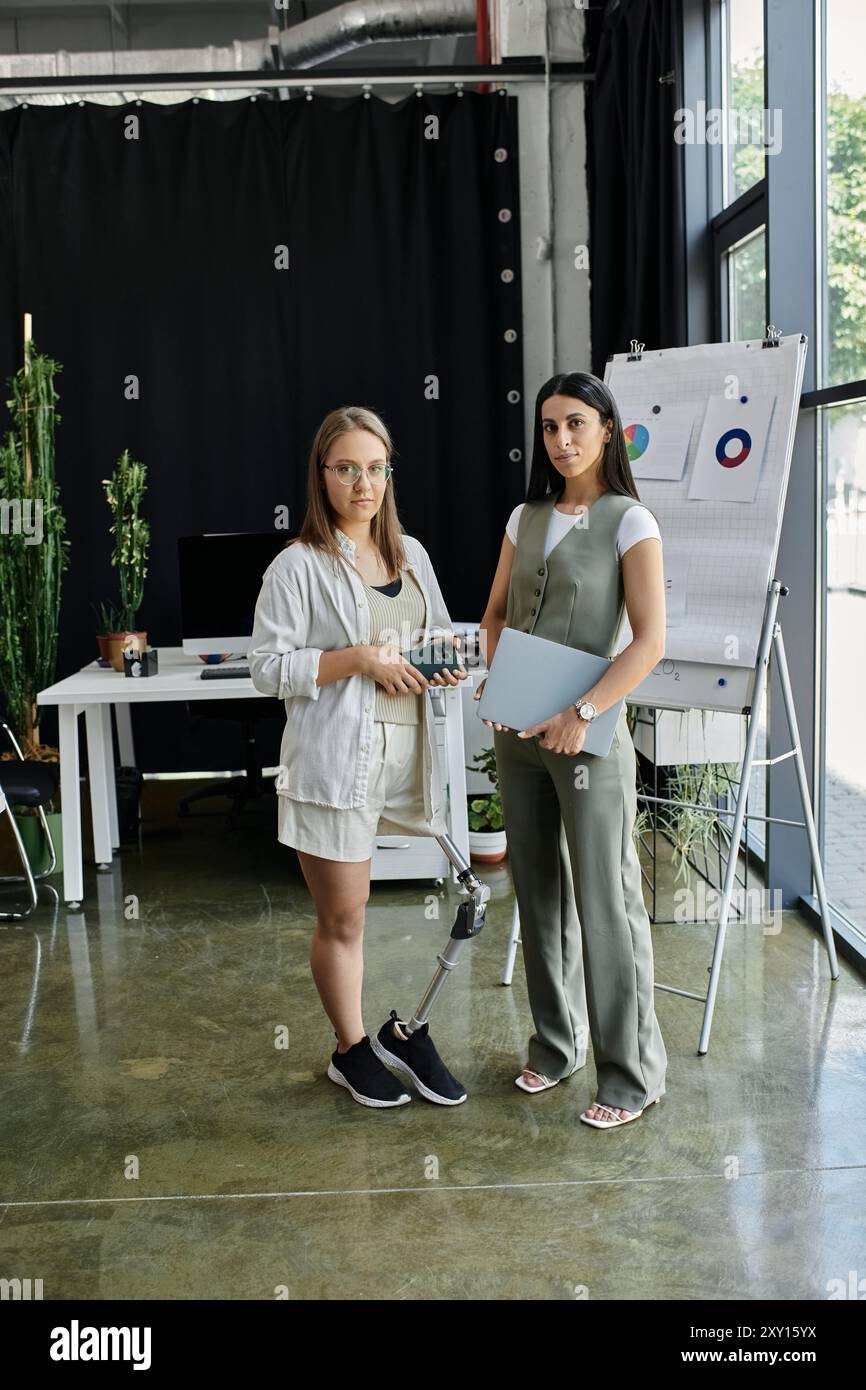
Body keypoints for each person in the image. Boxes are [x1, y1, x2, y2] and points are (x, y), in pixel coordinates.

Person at [249, 405, 468, 1110]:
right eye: (347, 468)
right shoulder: (298, 566)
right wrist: (357, 660)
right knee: (347, 917)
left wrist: (447, 661)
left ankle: (402, 1035)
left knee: (448, 895)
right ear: (323, 475)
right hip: (337, 761)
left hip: (409, 752)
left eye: (376, 469)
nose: (363, 483)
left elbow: (433, 637)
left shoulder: (413, 556)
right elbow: (265, 668)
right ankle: (350, 1049)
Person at [474, 372, 668, 1130]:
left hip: (587, 736)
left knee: (606, 901)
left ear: (608, 429)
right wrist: (504, 684)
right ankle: (556, 1045)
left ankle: (632, 1073)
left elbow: (651, 642)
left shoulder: (631, 521)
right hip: (519, 733)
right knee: (538, 888)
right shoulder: (525, 517)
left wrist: (583, 711)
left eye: (577, 424)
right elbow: (493, 614)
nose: (562, 440)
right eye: (551, 427)